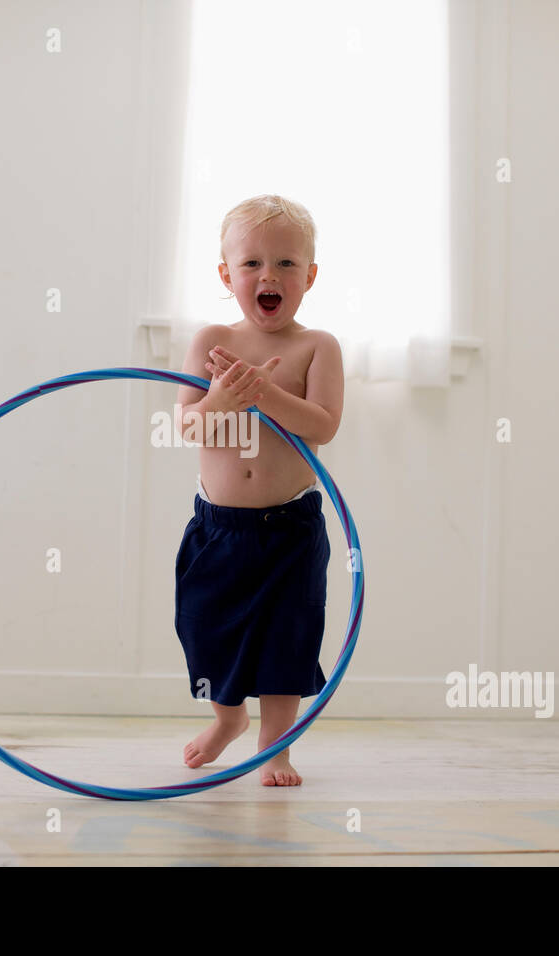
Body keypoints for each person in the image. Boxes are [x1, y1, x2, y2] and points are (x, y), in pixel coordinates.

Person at [173, 194, 344, 786]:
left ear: (309, 276)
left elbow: (323, 425)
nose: (268, 276)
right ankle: (227, 719)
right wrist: (223, 397)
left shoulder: (315, 346)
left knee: (286, 641)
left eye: (286, 264)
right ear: (227, 275)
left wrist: (265, 396)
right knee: (203, 627)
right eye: (251, 264)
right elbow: (189, 424)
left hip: (289, 529)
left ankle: (277, 747)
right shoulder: (212, 341)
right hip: (218, 528)